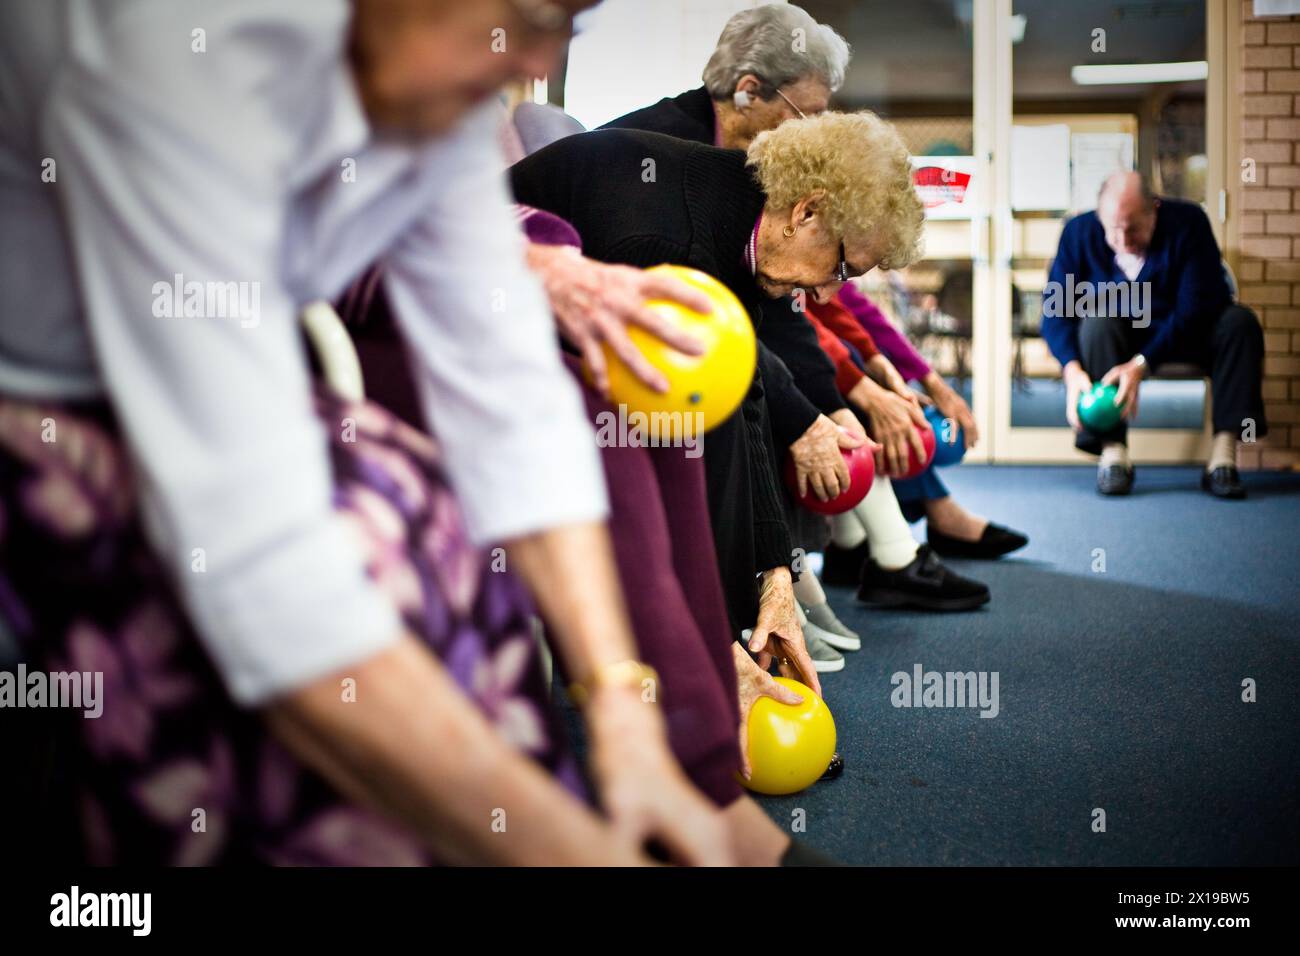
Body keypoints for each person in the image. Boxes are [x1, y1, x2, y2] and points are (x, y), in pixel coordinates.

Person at [0, 0, 735, 866]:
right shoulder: (179, 43)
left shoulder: (436, 82)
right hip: (32, 396)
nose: (533, 56)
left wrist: (623, 717)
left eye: (573, 22)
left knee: (445, 525)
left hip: (195, 363)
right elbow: (261, 570)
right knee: (333, 583)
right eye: (534, 12)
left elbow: (510, 402)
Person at [602, 3, 994, 618]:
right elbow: (722, 337)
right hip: (587, 342)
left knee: (795, 405)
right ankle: (736, 623)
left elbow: (793, 317)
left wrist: (844, 397)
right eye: (805, 115)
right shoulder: (666, 177)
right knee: (736, 407)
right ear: (749, 90)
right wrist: (820, 410)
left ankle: (790, 588)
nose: (813, 134)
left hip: (684, 343)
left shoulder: (766, 191)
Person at [1042, 171, 1267, 498]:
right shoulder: (1078, 232)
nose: (1122, 239)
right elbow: (1056, 310)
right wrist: (1071, 368)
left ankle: (1223, 457)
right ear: (1099, 218)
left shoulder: (1189, 222)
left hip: (1184, 335)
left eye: (1132, 228)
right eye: (1113, 229)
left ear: (1154, 209)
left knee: (1239, 322)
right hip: (1117, 339)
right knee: (1097, 319)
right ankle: (1113, 453)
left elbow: (1197, 307)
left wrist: (1143, 363)